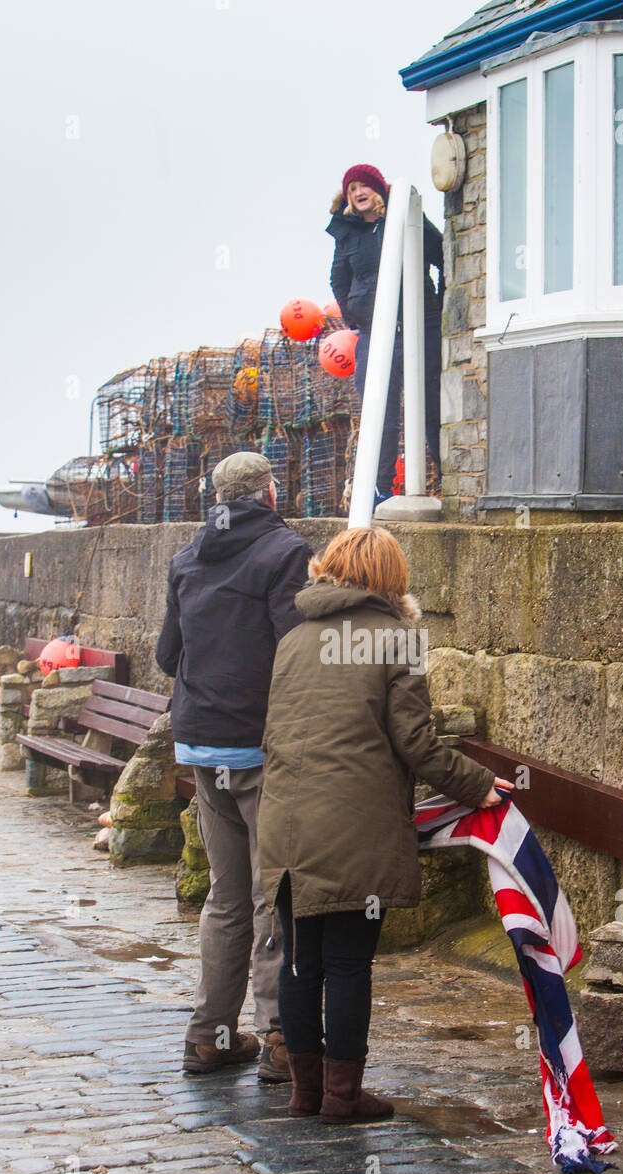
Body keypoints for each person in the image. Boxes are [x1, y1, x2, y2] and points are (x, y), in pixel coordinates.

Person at [257, 527, 513, 1123]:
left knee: (302, 962)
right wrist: (478, 785)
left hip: (286, 824)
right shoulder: (395, 642)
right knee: (347, 964)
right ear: (389, 579)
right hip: (353, 827)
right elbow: (417, 745)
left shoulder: (292, 639)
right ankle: (343, 1098)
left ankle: (305, 1091)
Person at [155, 453, 312, 1083]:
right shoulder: (285, 553)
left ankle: (211, 1037)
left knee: (225, 895)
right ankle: (279, 1038)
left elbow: (169, 655)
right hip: (258, 744)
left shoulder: (187, 558)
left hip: (200, 745)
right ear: (270, 493)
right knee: (272, 892)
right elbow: (296, 654)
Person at [327, 164, 444, 506]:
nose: (357, 192)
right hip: (374, 334)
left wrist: (438, 304)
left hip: (420, 328)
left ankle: (446, 481)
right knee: (380, 415)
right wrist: (358, 315)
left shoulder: (408, 219)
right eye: (351, 189)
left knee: (432, 408)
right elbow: (338, 280)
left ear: (378, 189)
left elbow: (441, 254)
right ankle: (379, 490)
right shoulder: (346, 234)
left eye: (364, 185)